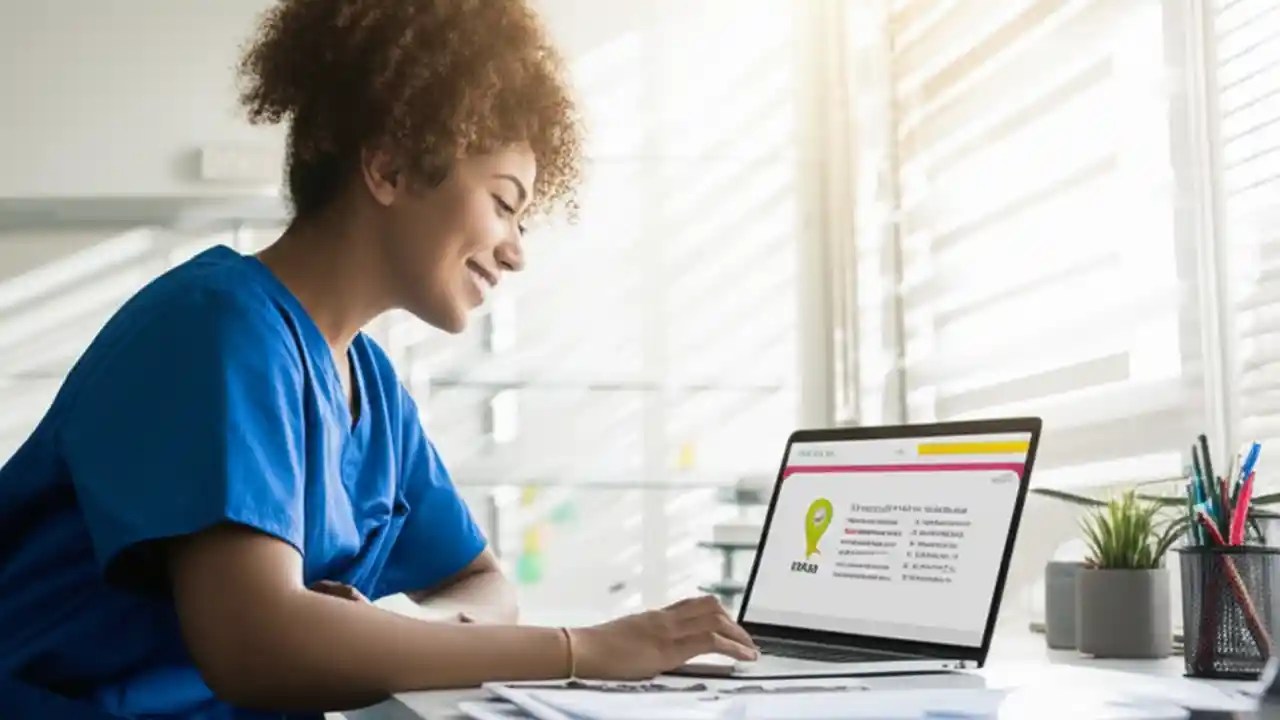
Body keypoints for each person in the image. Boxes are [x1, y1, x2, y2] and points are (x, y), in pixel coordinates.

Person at [0, 1, 757, 717]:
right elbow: (257, 645)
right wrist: (581, 650)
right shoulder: (219, 328)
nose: (517, 251)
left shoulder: (371, 389)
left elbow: (479, 580)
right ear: (390, 169)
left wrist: (409, 626)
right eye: (503, 202)